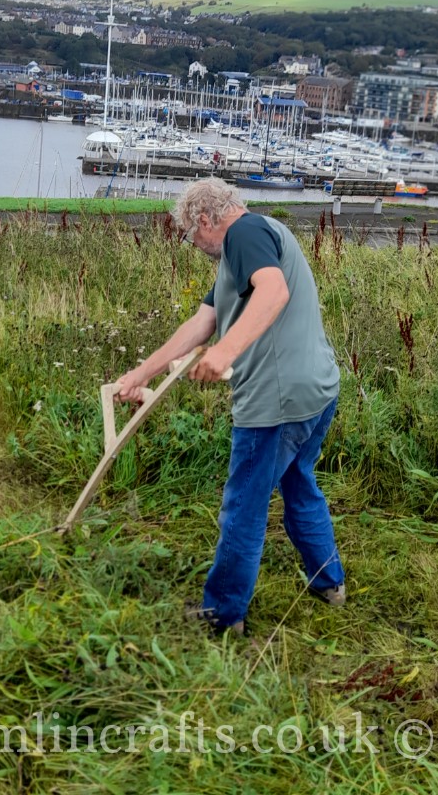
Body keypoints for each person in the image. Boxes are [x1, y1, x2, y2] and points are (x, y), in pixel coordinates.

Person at [114, 178, 343, 634]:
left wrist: (224, 353)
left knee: (244, 506)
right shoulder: (245, 251)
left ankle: (223, 614)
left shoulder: (245, 234)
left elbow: (274, 292)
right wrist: (142, 374)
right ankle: (328, 583)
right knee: (298, 482)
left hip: (276, 401)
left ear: (204, 221)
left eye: (189, 235)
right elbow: (201, 324)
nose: (193, 244)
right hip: (317, 391)